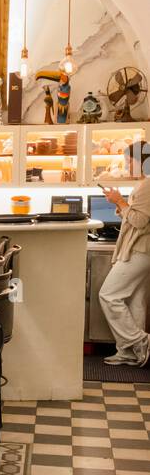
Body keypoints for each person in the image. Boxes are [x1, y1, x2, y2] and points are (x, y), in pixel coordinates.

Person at [99, 144, 150, 365]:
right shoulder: (143, 184)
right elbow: (136, 218)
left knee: (108, 295)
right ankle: (130, 353)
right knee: (135, 301)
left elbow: (140, 222)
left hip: (140, 250)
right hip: (141, 249)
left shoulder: (147, 185)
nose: (128, 165)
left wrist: (120, 202)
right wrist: (121, 205)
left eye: (130, 160)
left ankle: (141, 341)